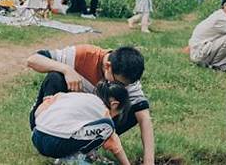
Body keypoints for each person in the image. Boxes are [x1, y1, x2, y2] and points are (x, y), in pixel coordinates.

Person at [27, 45, 155, 165]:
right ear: (108, 66)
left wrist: (149, 161)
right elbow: (33, 59)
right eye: (119, 83)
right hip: (50, 122)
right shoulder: (83, 55)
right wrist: (66, 70)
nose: (123, 87)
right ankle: (58, 140)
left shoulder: (127, 80)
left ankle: (85, 150)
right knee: (55, 76)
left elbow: (144, 118)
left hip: (80, 125)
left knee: (133, 110)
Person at [32, 81, 131, 164]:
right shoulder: (103, 111)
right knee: (108, 126)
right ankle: (76, 159)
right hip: (54, 144)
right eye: (117, 113)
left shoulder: (76, 96)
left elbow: (40, 110)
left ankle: (64, 158)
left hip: (36, 136)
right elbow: (115, 145)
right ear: (114, 105)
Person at [188, 0, 226, 71]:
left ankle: (225, 64)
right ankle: (218, 65)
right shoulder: (221, 19)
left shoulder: (221, 15)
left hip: (202, 51)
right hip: (200, 54)